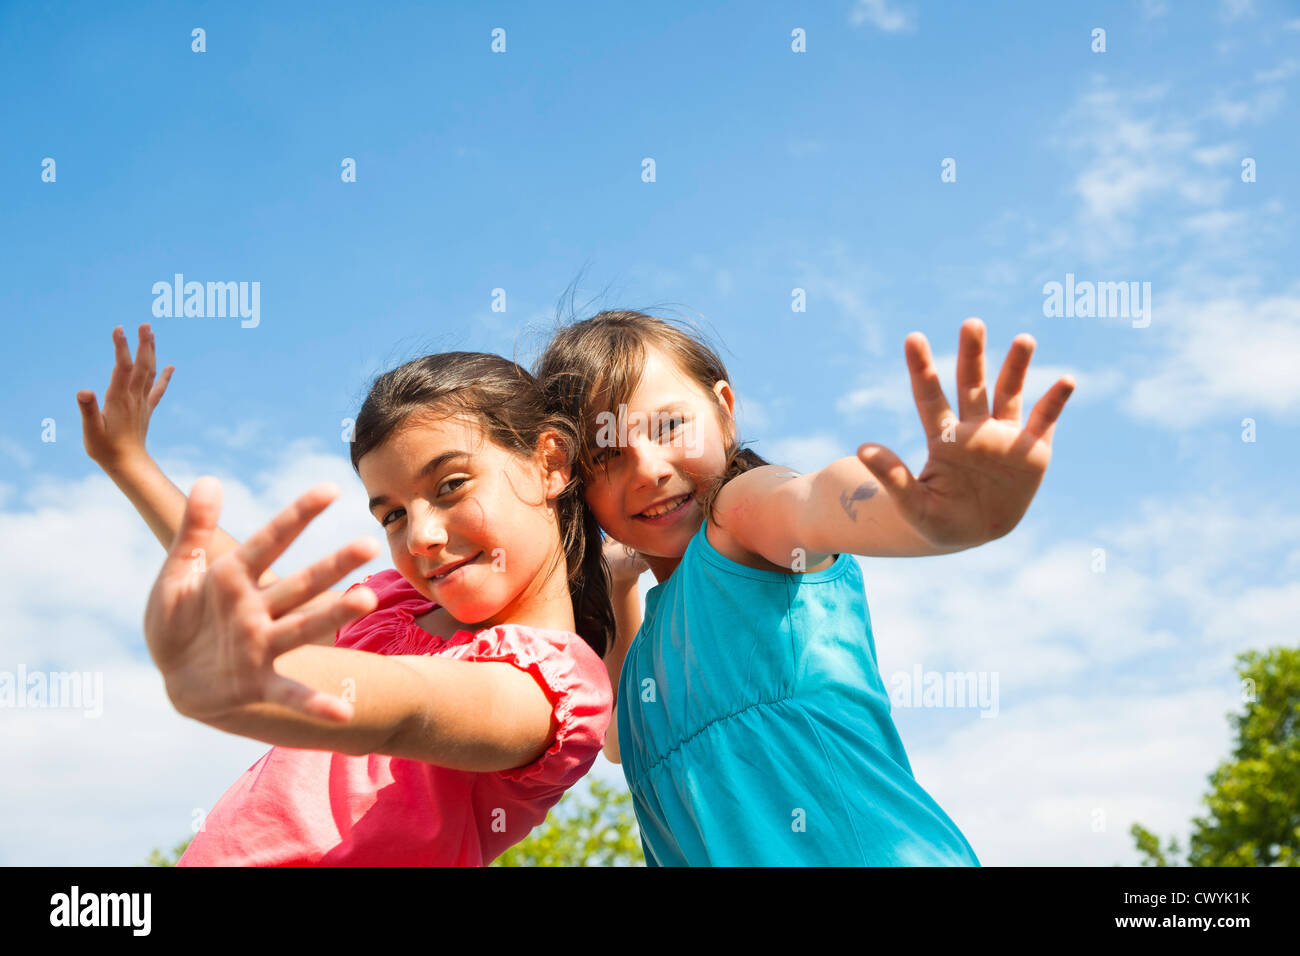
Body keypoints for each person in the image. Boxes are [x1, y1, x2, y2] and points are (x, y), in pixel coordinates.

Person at [535, 310, 1074, 865]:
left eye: (670, 426)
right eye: (606, 456)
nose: (647, 469)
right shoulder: (650, 643)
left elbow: (814, 501)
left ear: (723, 411)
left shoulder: (739, 518)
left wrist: (932, 517)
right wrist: (620, 578)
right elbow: (625, 744)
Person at [77, 324, 614, 865]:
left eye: (451, 485)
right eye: (393, 515)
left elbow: (409, 707)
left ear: (551, 462)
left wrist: (248, 677)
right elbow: (257, 593)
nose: (421, 536)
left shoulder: (556, 689)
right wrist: (129, 462)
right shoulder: (393, 606)